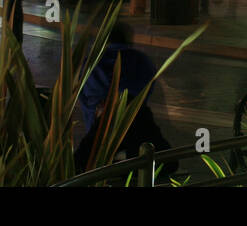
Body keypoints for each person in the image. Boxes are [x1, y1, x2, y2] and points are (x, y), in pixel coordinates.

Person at [73, 21, 175, 172]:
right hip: (135, 126)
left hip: (100, 130)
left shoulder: (92, 62)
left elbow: (83, 94)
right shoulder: (141, 61)